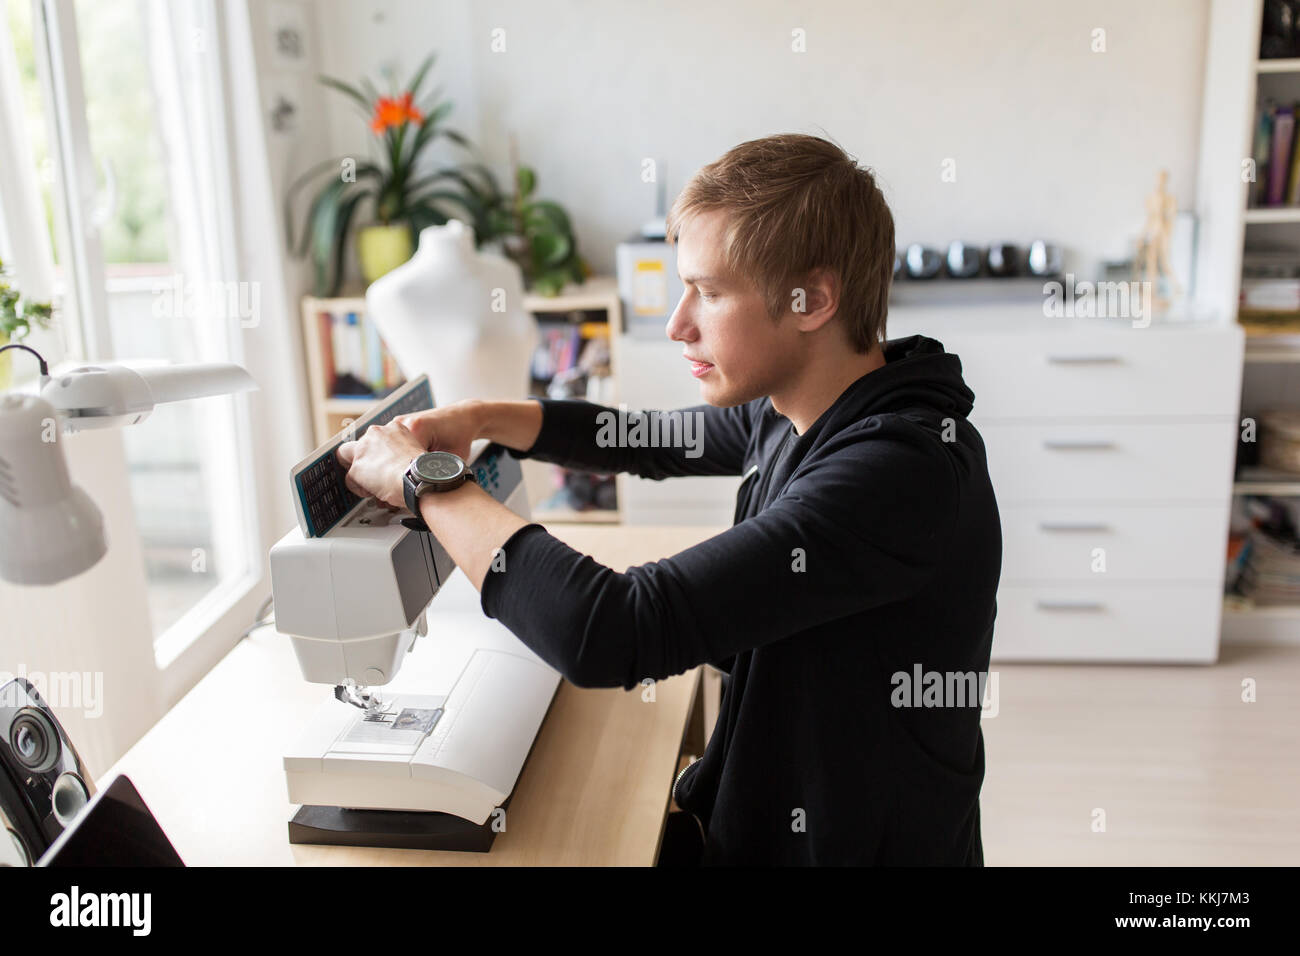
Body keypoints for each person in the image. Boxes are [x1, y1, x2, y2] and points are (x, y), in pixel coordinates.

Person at [337, 132, 1002, 865]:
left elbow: (614, 630)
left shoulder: (896, 473)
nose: (677, 322)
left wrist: (427, 483)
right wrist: (483, 419)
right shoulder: (806, 404)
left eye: (710, 293)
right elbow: (645, 436)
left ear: (812, 300)